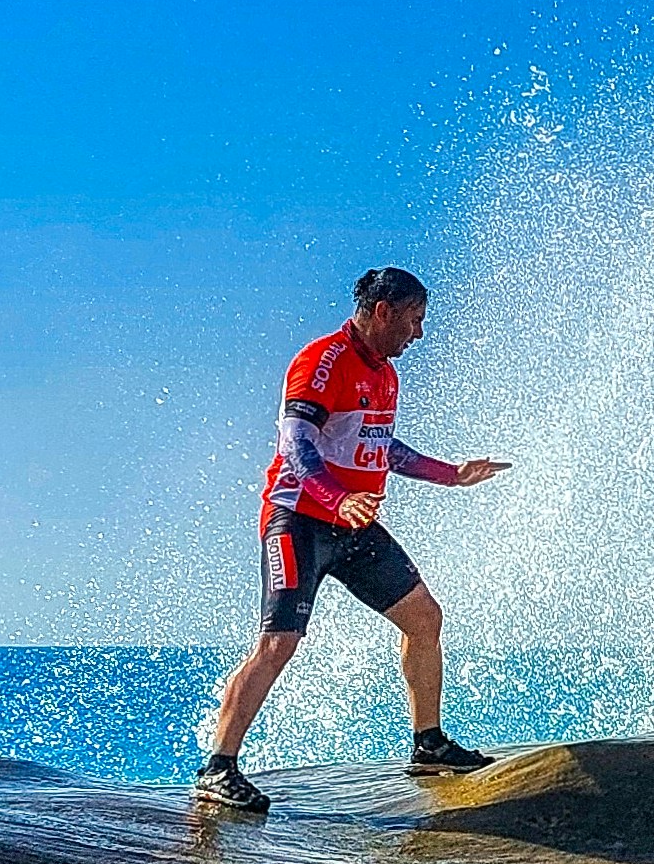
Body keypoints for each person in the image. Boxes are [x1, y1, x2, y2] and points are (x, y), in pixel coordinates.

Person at [193, 267, 510, 815]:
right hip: (298, 520)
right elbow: (296, 444)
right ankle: (218, 767)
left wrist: (450, 474)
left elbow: (383, 448)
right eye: (413, 320)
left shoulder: (385, 374)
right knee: (279, 642)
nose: (419, 333)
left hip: (352, 525)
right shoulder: (323, 361)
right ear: (383, 311)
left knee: (423, 617)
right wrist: (335, 498)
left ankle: (428, 743)